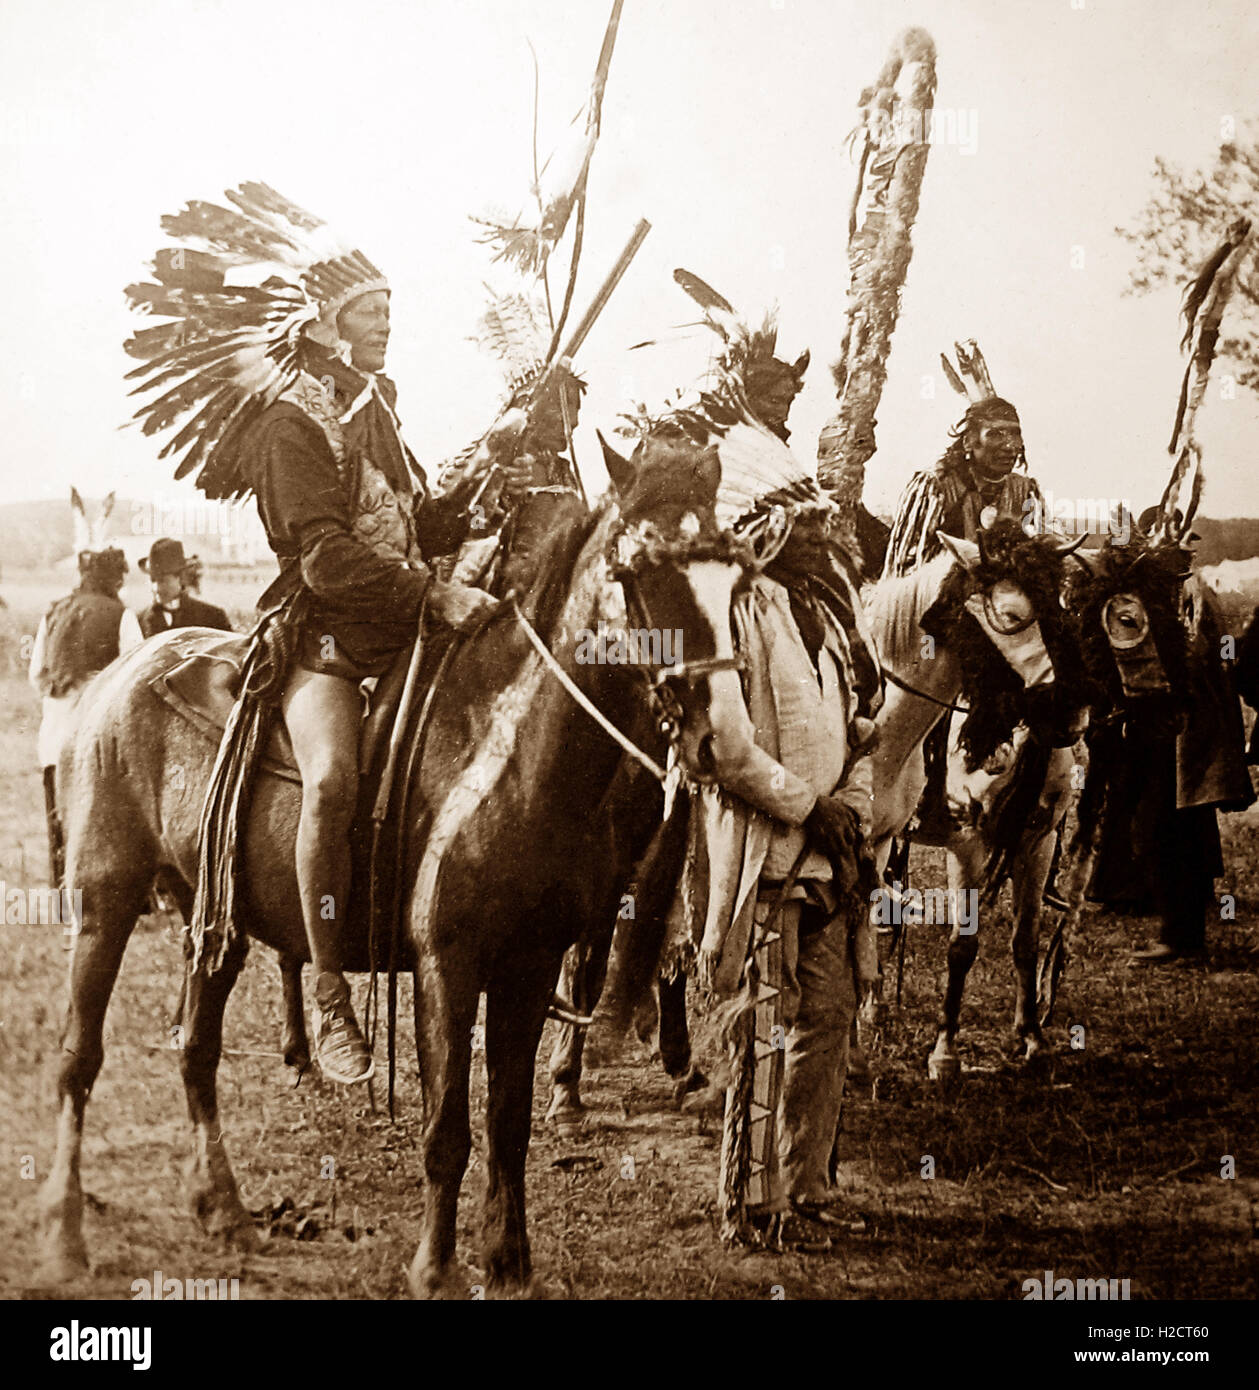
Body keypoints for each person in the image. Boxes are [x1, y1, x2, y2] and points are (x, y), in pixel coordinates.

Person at [1122, 509, 1254, 963]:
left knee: (1167, 830)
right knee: (1184, 830)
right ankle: (1182, 932)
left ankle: (1180, 937)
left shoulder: (1187, 595)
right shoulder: (1179, 592)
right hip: (1188, 731)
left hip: (1181, 732)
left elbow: (1201, 660)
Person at [29, 546, 143, 886]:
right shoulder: (122, 616)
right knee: (106, 824)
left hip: (53, 738)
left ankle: (67, 897)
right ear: (115, 578)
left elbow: (37, 674)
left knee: (61, 821)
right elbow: (136, 678)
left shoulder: (53, 613)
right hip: (99, 742)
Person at [138, 538, 232, 636]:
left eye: (163, 581)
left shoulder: (212, 617)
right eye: (153, 580)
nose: (156, 588)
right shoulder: (139, 622)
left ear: (181, 578)